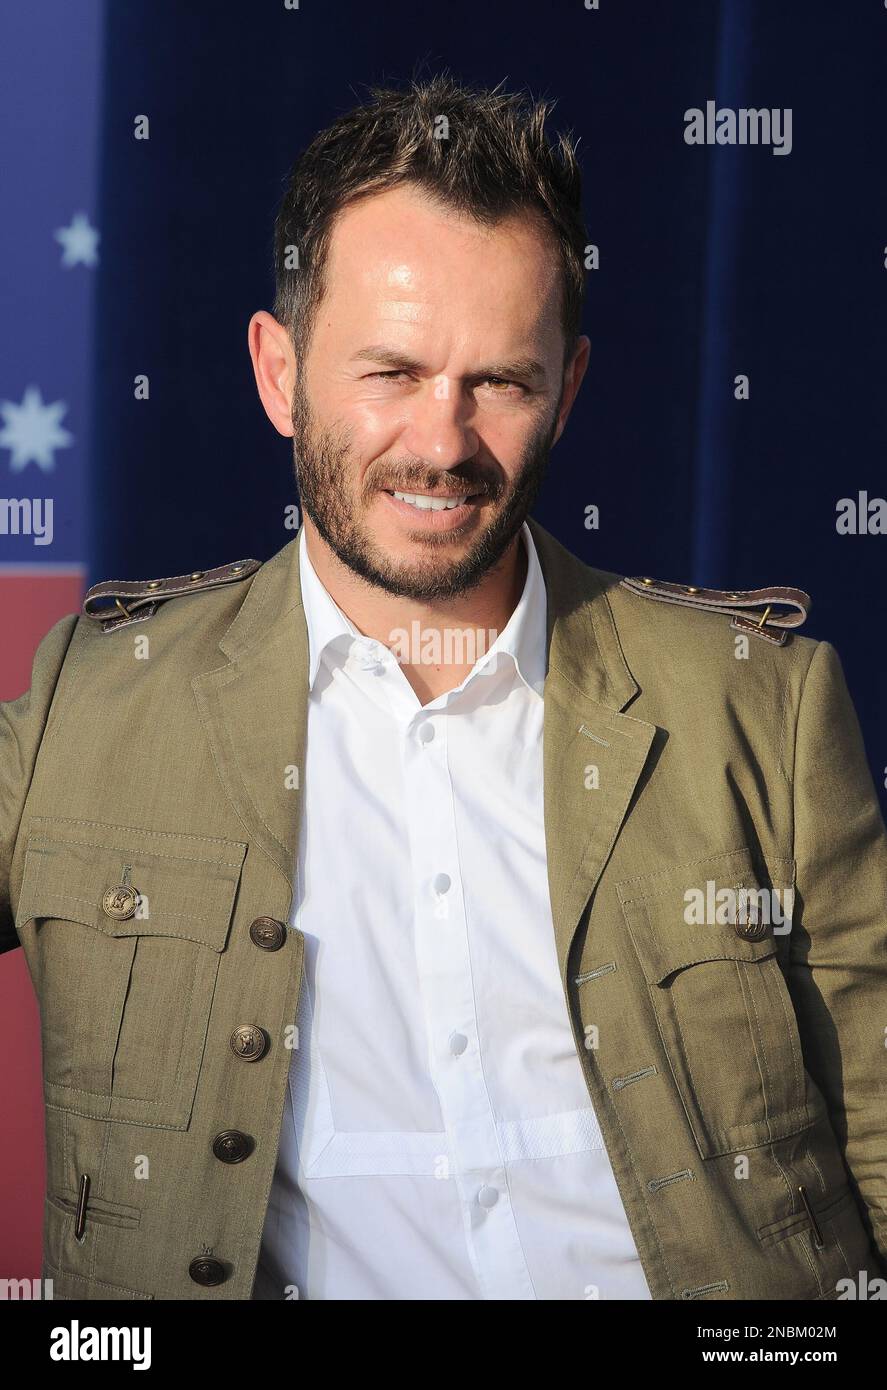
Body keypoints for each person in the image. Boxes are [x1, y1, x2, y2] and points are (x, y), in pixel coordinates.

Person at [1, 75, 884, 1301]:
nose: (441, 441)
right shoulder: (90, 714)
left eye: (499, 383)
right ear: (277, 372)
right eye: (391, 372)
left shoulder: (760, 707)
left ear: (566, 391)